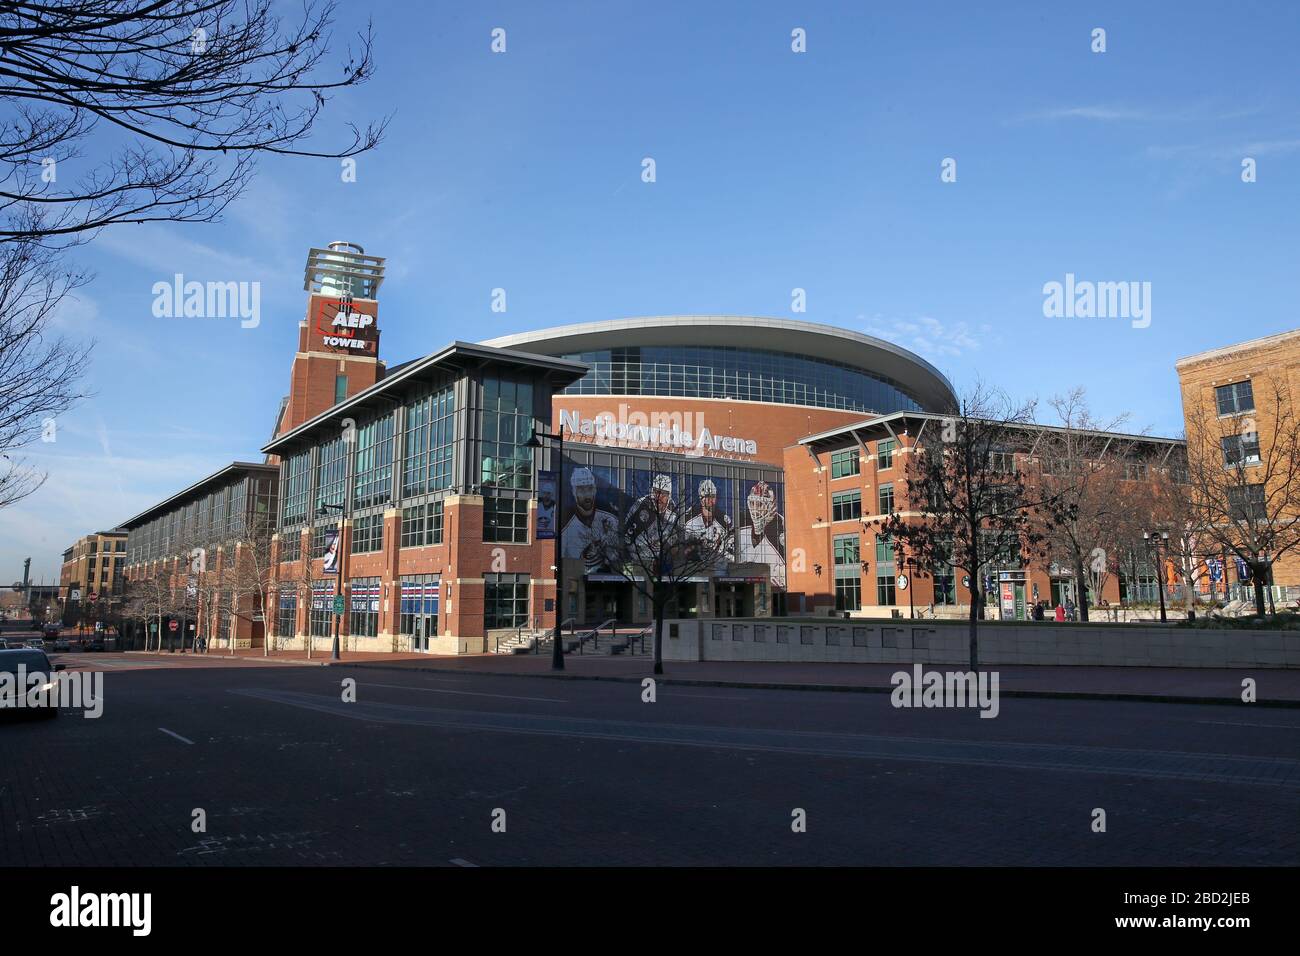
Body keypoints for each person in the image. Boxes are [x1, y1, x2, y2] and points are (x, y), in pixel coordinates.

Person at [560, 467, 621, 573]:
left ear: (595, 490)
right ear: (574, 492)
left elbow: (616, 556)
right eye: (582, 490)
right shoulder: (566, 531)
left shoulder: (610, 520)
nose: (587, 495)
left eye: (590, 489)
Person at [739, 480, 786, 589]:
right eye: (753, 503)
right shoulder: (741, 522)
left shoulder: (781, 529)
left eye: (759, 504)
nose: (755, 508)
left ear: (771, 506)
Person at [684, 478, 735, 566]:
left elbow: (731, 551)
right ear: (701, 499)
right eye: (708, 497)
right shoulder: (689, 519)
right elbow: (683, 548)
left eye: (713, 496)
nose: (711, 500)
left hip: (717, 565)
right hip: (693, 567)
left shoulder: (724, 520)